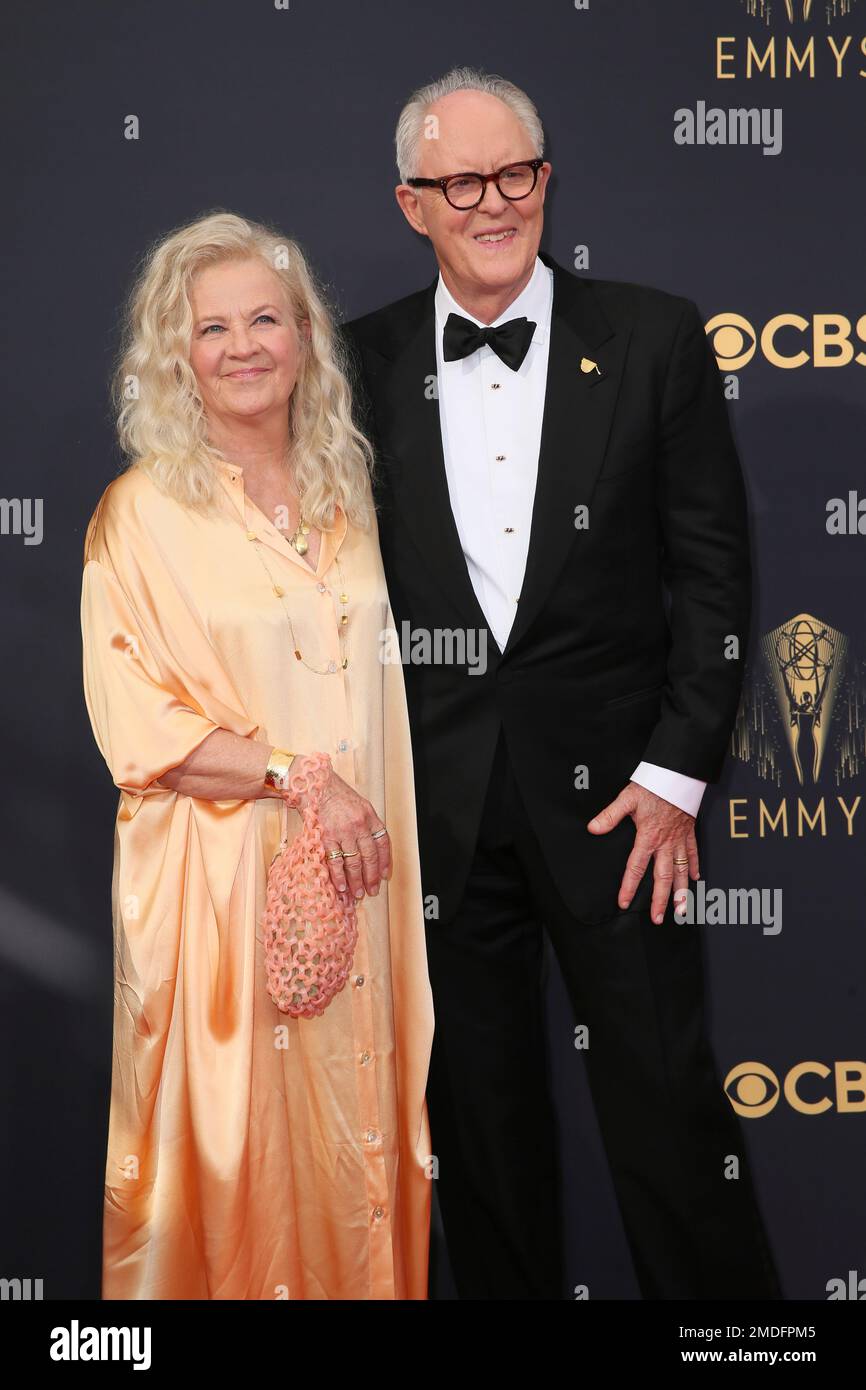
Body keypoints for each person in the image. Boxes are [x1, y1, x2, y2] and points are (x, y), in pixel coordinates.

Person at [341, 67, 783, 1299]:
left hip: (623, 811)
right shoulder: (357, 365)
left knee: (671, 1127)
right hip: (439, 814)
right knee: (480, 1142)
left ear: (546, 181)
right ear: (410, 203)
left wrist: (675, 775)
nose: (494, 203)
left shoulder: (652, 335)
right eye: (459, 182)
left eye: (516, 174)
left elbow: (711, 578)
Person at [80, 211, 434, 1299]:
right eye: (211, 328)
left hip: (365, 877)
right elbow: (136, 726)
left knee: (358, 1132)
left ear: (305, 337)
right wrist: (300, 781)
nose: (241, 347)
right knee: (238, 1153)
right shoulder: (138, 516)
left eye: (264, 319)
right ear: (174, 354)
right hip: (220, 892)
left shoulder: (355, 497)